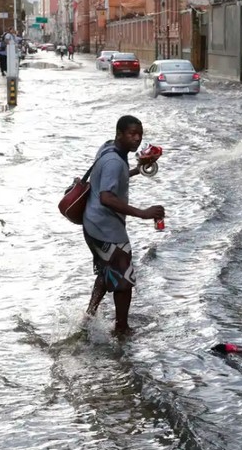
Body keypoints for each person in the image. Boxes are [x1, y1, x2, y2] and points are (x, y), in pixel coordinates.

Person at [83, 115, 165, 335]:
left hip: (92, 224)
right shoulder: (114, 161)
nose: (137, 139)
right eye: (132, 134)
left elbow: (112, 178)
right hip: (105, 228)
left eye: (140, 134)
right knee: (124, 278)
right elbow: (106, 197)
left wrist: (139, 169)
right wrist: (143, 213)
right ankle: (121, 329)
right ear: (119, 134)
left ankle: (89, 315)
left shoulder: (109, 149)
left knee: (107, 269)